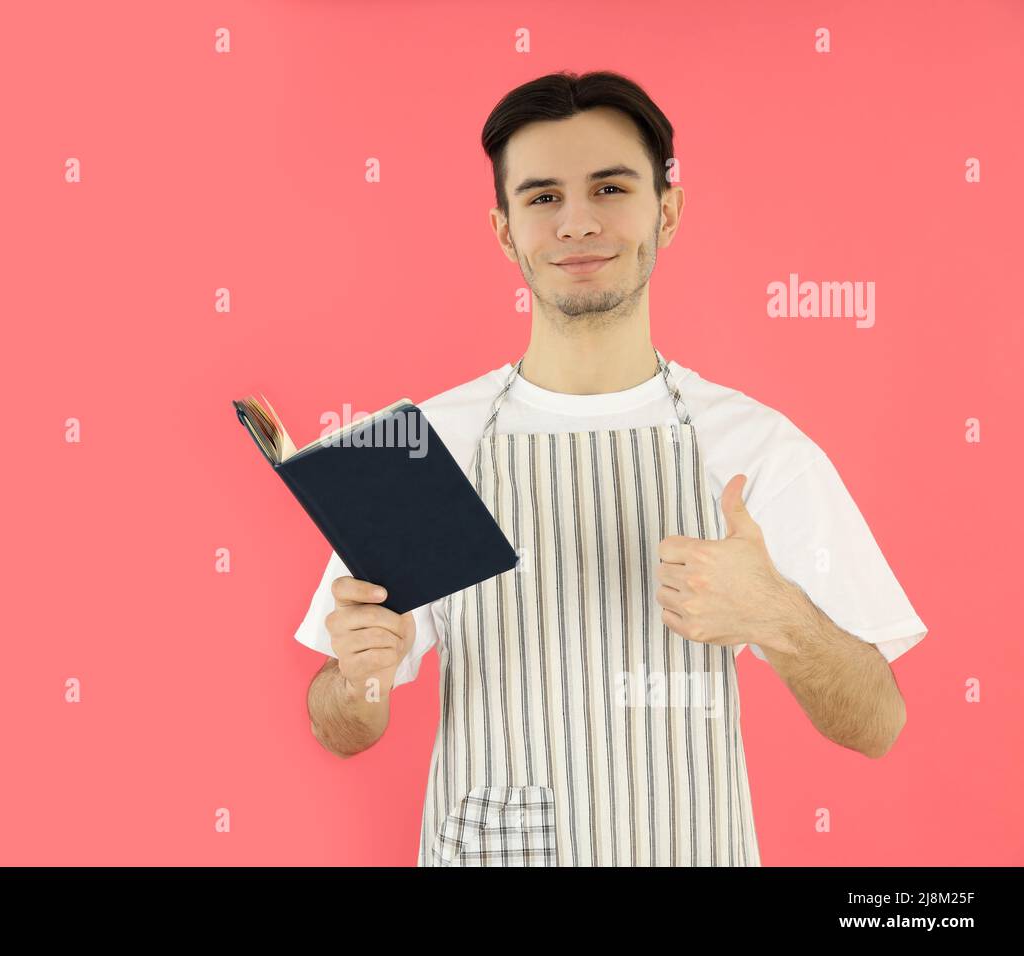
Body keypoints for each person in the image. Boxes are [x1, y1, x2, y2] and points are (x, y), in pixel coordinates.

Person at [293, 70, 926, 867]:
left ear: (667, 210)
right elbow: (339, 724)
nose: (578, 222)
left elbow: (878, 724)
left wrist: (778, 616)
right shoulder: (425, 448)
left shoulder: (755, 449)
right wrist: (360, 679)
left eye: (610, 187)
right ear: (504, 230)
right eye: (543, 197)